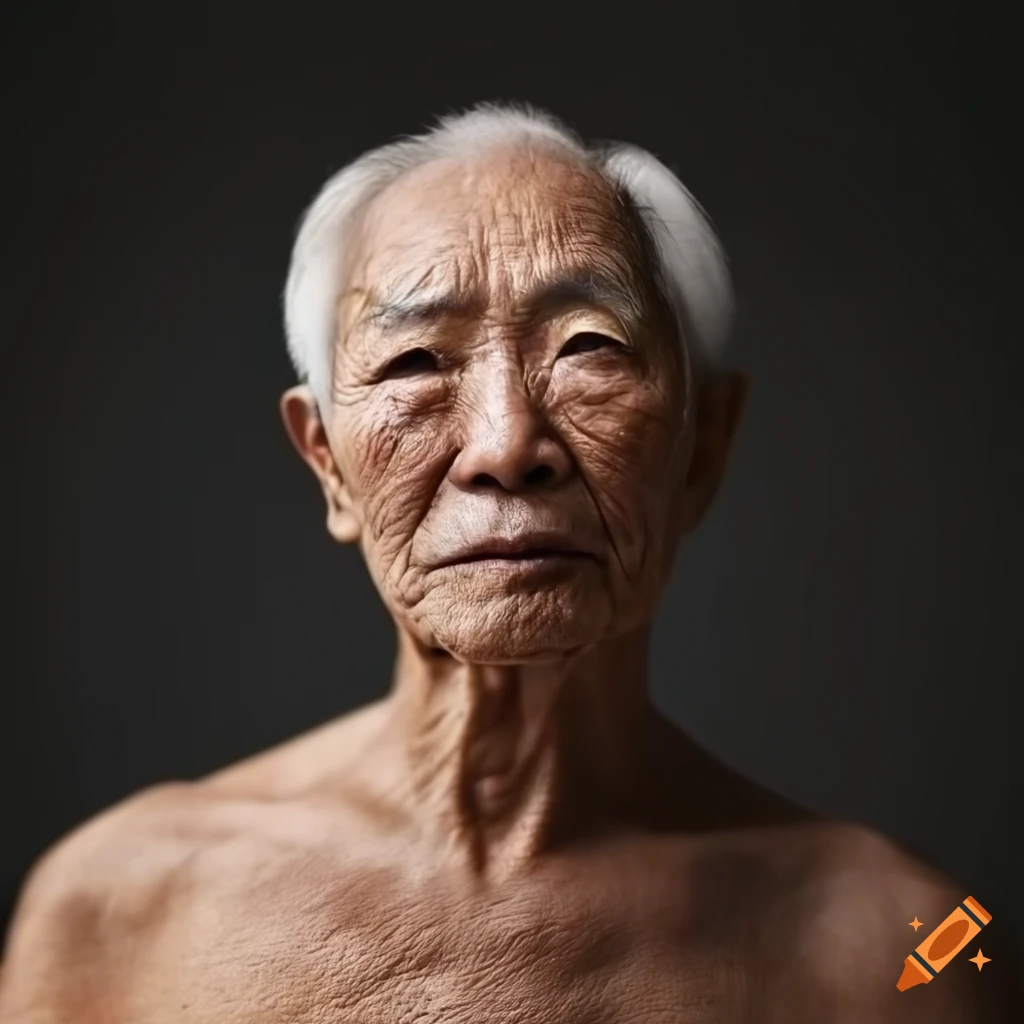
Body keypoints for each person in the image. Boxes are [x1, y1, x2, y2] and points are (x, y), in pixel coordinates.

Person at [0, 102, 1016, 1023]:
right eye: (414, 362)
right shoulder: (114, 908)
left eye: (588, 348)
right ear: (329, 467)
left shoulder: (912, 947)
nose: (504, 444)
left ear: (702, 449)